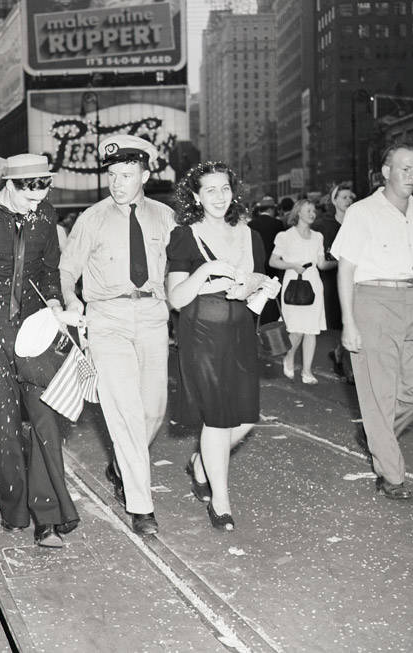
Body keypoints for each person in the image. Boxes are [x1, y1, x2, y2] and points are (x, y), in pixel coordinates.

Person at [0, 153, 81, 548]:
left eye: (43, 193)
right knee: (2, 423)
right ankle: (14, 508)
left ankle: (48, 515)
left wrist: (58, 305)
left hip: (35, 328)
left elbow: (48, 271)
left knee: (47, 418)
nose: (36, 203)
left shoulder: (45, 214)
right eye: (29, 195)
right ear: (10, 183)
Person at [60, 135, 175, 536]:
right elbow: (67, 270)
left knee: (153, 409)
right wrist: (71, 301)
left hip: (153, 316)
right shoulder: (91, 218)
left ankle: (123, 462)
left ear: (145, 173)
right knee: (124, 409)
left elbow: (179, 266)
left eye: (126, 174)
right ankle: (141, 505)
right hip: (107, 318)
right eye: (112, 175)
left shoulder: (165, 216)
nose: (117, 182)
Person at [332, 143, 413, 501]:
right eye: (405, 169)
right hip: (373, 300)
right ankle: (391, 475)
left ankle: (377, 434)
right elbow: (347, 268)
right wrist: (349, 321)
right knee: (379, 394)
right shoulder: (362, 212)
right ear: (386, 171)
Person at [166, 162, 267, 531]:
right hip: (202, 334)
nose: (219, 196)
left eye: (224, 188)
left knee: (245, 418)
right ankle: (220, 502)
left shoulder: (249, 235)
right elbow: (176, 298)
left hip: (241, 331)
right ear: (195, 196)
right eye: (209, 190)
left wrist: (257, 283)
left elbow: (255, 278)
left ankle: (199, 464)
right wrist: (204, 272)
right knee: (217, 417)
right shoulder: (184, 237)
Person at [270, 199, 333, 384]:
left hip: (313, 283)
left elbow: (321, 264)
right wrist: (292, 265)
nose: (312, 213)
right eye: (308, 210)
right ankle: (289, 357)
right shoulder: (285, 236)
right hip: (294, 283)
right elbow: (273, 261)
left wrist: (339, 263)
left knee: (312, 330)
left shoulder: (318, 237)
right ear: (298, 213)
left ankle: (307, 372)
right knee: (296, 330)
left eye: (314, 210)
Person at [313, 184, 354, 381]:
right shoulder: (324, 224)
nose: (348, 200)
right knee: (337, 319)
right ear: (334, 200)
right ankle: (341, 354)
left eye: (350, 197)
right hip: (331, 278)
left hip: (355, 277)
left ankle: (341, 354)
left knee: (353, 317)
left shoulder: (357, 221)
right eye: (344, 197)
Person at [247, 195, 284, 323]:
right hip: (274, 264)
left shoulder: (251, 224)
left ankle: (258, 318)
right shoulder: (278, 224)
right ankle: (272, 318)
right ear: (271, 209)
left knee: (257, 291)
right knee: (272, 290)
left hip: (256, 263)